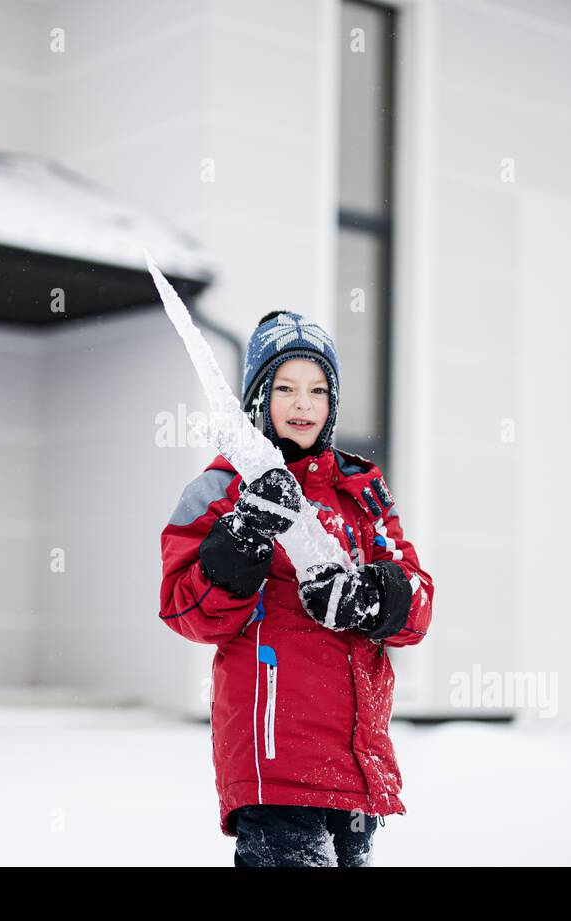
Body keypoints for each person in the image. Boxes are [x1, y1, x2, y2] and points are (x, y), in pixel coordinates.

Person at [157, 309, 435, 867]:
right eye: (285, 387)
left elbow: (418, 607)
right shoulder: (221, 489)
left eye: (318, 389)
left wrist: (369, 597)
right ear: (259, 396)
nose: (303, 403)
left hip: (357, 766)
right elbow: (186, 610)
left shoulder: (361, 491)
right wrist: (245, 535)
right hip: (273, 764)